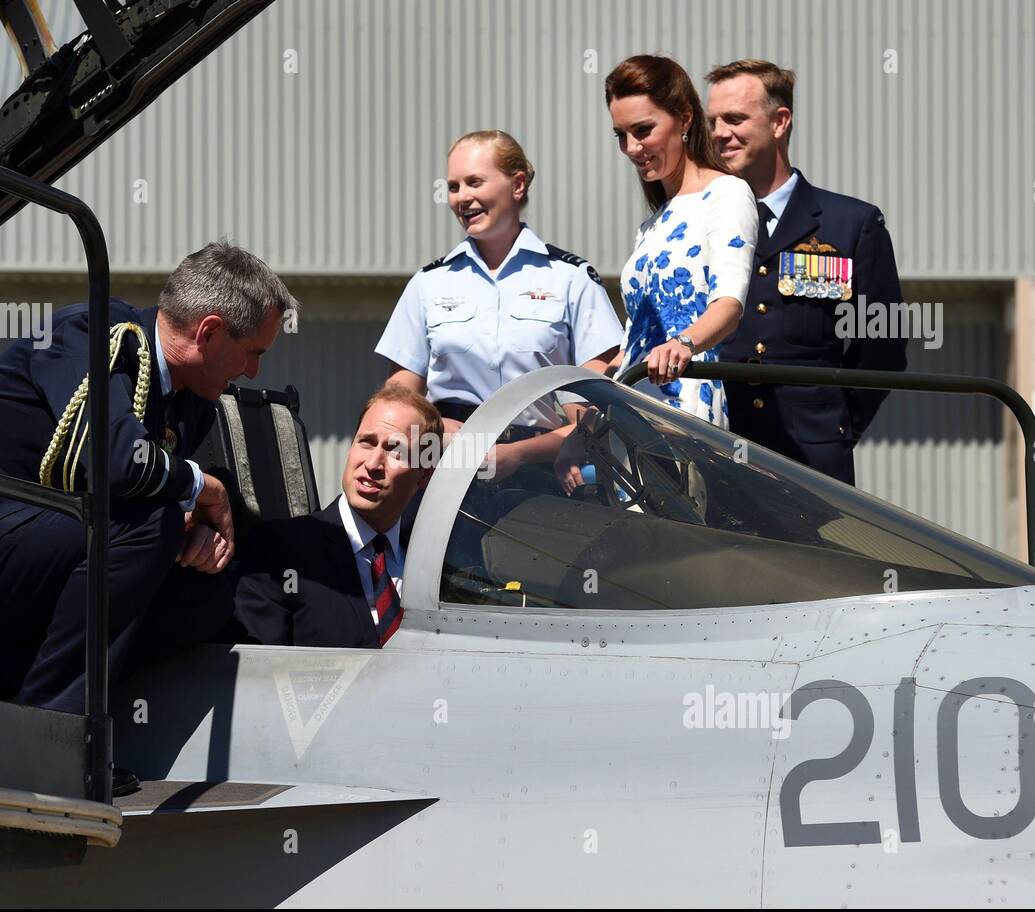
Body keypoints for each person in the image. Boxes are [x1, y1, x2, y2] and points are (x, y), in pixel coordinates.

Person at [0, 240, 297, 725]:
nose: (253, 371)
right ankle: (54, 734)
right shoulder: (90, 335)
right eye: (252, 353)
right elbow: (116, 462)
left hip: (34, 566)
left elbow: (149, 504)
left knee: (205, 597)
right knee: (147, 524)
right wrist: (204, 489)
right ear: (208, 333)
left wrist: (198, 538)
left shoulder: (191, 404)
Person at [375, 130, 620, 481]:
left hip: (542, 471)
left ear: (517, 185)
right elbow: (397, 398)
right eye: (454, 186)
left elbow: (595, 411)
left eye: (475, 182)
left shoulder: (571, 278)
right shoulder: (428, 283)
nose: (463, 198)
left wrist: (516, 455)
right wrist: (433, 431)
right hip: (447, 466)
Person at [705, 59, 906, 484]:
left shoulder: (851, 224)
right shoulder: (699, 222)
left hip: (808, 464)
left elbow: (883, 343)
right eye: (713, 121)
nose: (720, 132)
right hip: (711, 453)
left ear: (780, 122)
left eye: (735, 118)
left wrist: (833, 427)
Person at [605, 54, 759, 427]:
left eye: (642, 130)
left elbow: (728, 306)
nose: (631, 148)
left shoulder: (727, 193)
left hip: (684, 405)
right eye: (621, 135)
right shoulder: (652, 224)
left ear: (685, 119)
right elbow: (636, 335)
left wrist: (684, 344)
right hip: (631, 409)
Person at [230, 385, 441, 648]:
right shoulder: (276, 551)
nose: (373, 464)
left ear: (424, 475)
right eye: (366, 442)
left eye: (396, 451)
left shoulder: (438, 569)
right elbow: (258, 672)